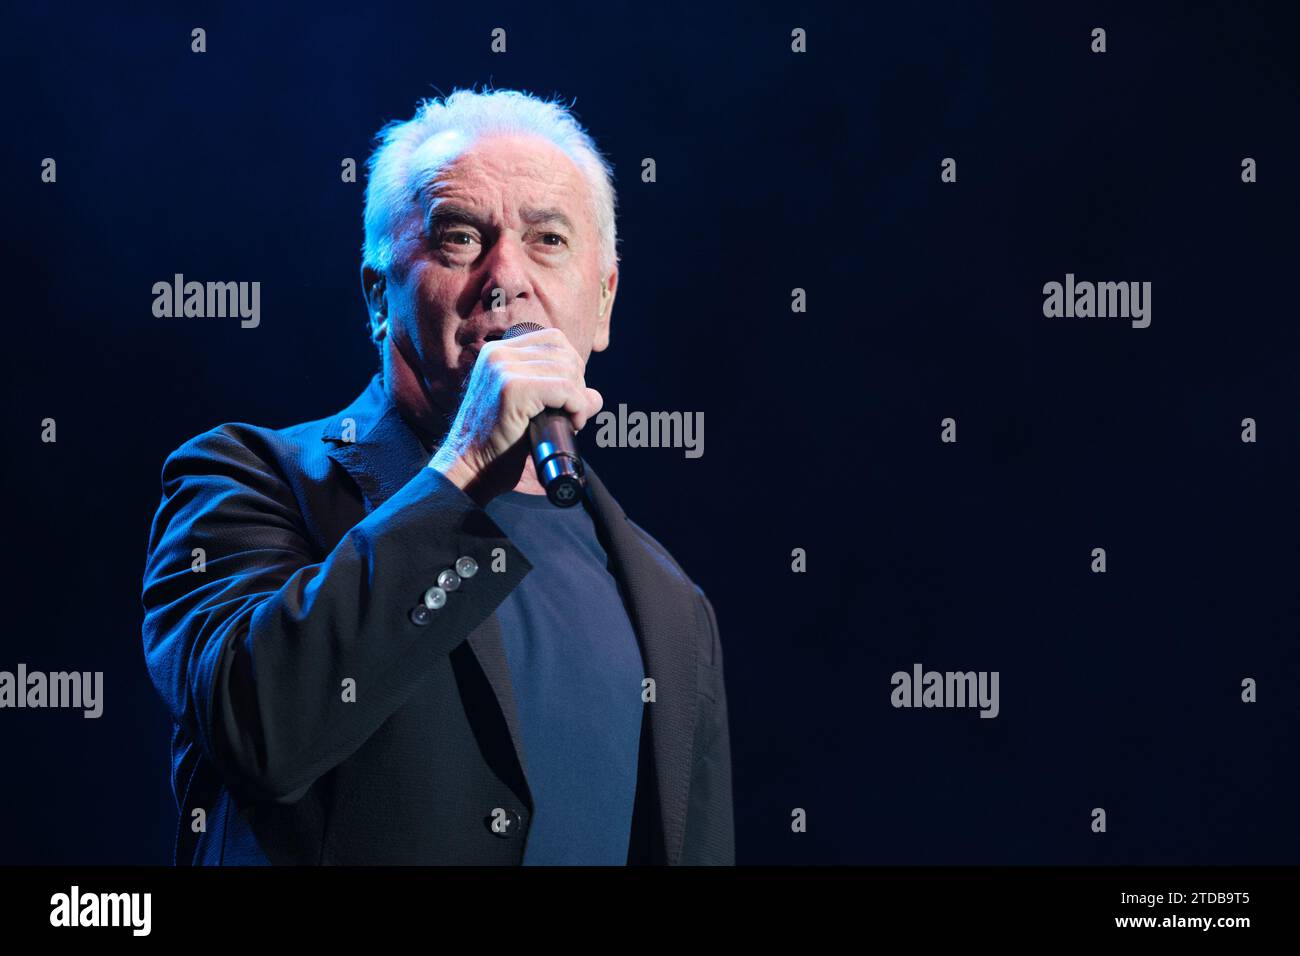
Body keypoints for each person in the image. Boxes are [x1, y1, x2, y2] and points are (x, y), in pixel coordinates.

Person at [140, 87, 734, 865]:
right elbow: (260, 729)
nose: (506, 277)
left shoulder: (671, 603)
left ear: (603, 303)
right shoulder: (252, 480)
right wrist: (467, 466)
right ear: (378, 296)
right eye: (459, 238)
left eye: (549, 239)